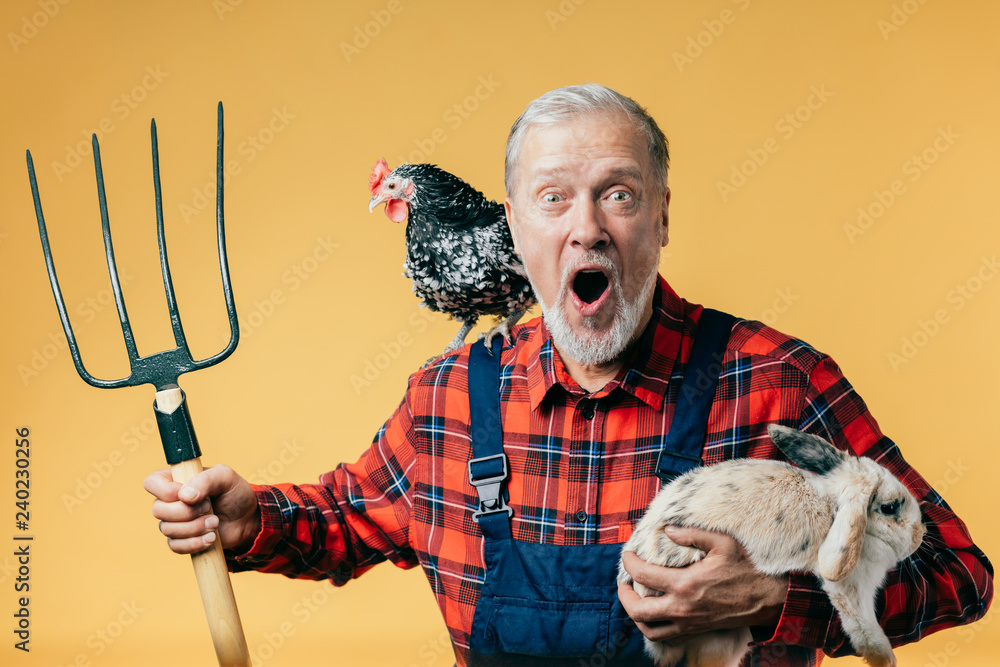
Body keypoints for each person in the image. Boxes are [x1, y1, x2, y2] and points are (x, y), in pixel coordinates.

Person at [144, 84, 992, 666]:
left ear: (662, 216)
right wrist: (253, 517)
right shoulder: (449, 397)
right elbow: (343, 515)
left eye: (618, 194)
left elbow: (956, 571)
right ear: (512, 227)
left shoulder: (778, 381)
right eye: (553, 198)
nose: (586, 228)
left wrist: (776, 599)